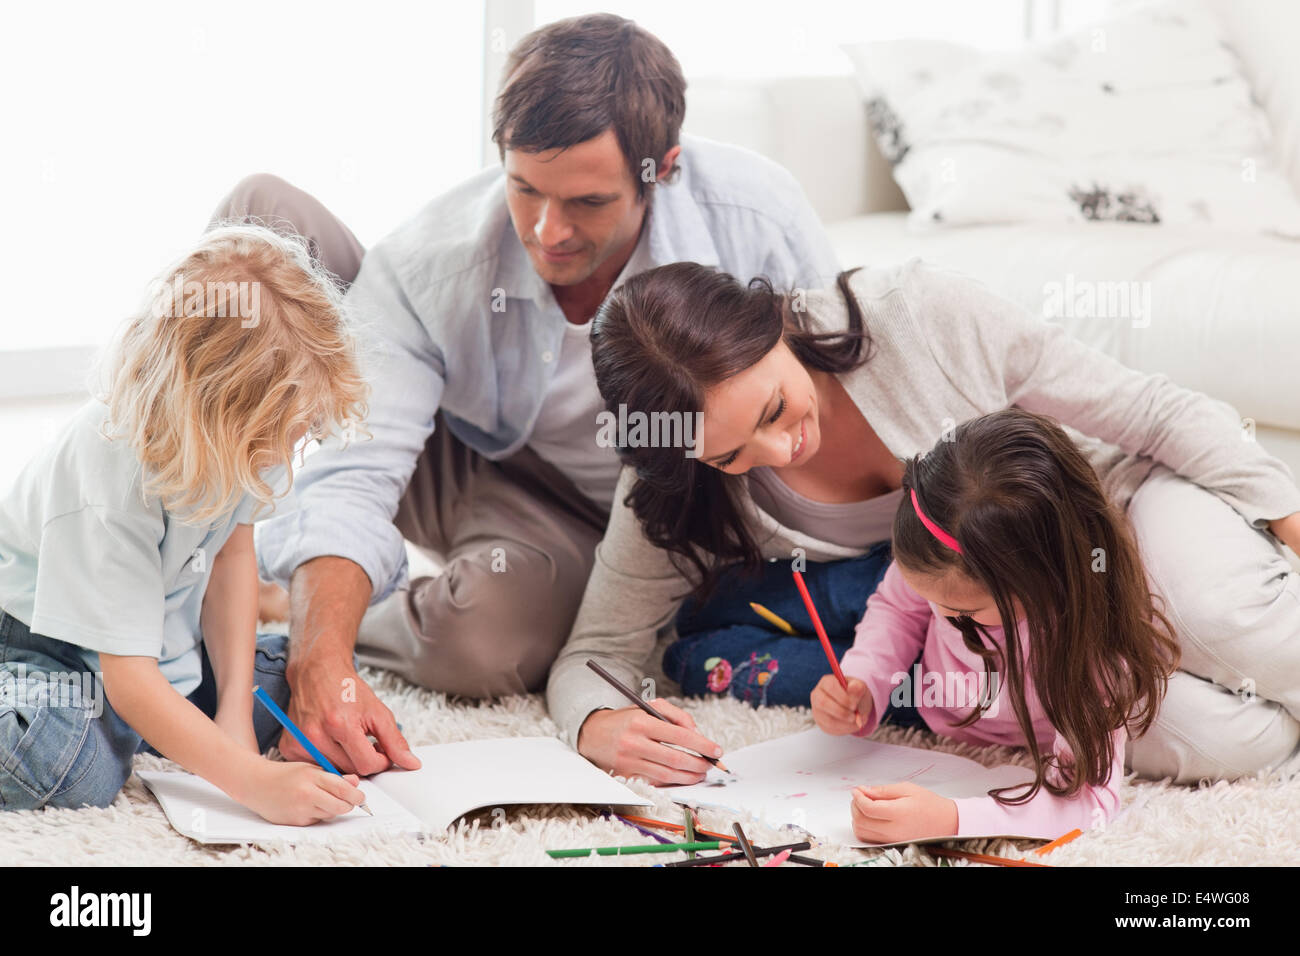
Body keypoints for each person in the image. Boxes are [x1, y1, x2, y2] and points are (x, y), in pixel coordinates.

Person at [233, 14, 840, 776]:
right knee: (263, 224)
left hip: (613, 519)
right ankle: (222, 563)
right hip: (463, 453)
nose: (548, 232)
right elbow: (357, 471)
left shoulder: (756, 218)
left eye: (587, 202)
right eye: (524, 189)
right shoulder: (439, 260)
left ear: (665, 168)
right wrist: (318, 671)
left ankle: (296, 602)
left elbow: (835, 390)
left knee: (480, 640)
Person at [548, 259, 1300, 789]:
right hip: (1031, 630)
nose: (781, 451)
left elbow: (1152, 411)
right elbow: (595, 650)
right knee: (1212, 734)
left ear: (772, 322)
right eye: (734, 454)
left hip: (1120, 508)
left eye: (774, 410)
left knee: (1220, 618)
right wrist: (596, 725)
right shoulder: (676, 477)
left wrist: (1291, 517)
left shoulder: (920, 314)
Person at [0, 225, 372, 822]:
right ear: (210, 411)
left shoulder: (252, 440)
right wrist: (249, 781)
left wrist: (232, 713)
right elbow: (126, 679)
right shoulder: (111, 479)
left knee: (301, 692)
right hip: (58, 651)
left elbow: (231, 559)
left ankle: (168, 725)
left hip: (161, 637)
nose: (291, 446)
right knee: (62, 765)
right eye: (281, 432)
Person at [811, 407, 1180, 843]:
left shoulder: (1096, 650)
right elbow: (897, 608)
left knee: (743, 659)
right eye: (930, 597)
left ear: (1043, 580)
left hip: (927, 705)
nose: (938, 612)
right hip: (925, 689)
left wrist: (951, 820)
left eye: (961, 613)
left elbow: (1091, 803)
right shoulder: (941, 557)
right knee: (765, 614)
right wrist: (864, 682)